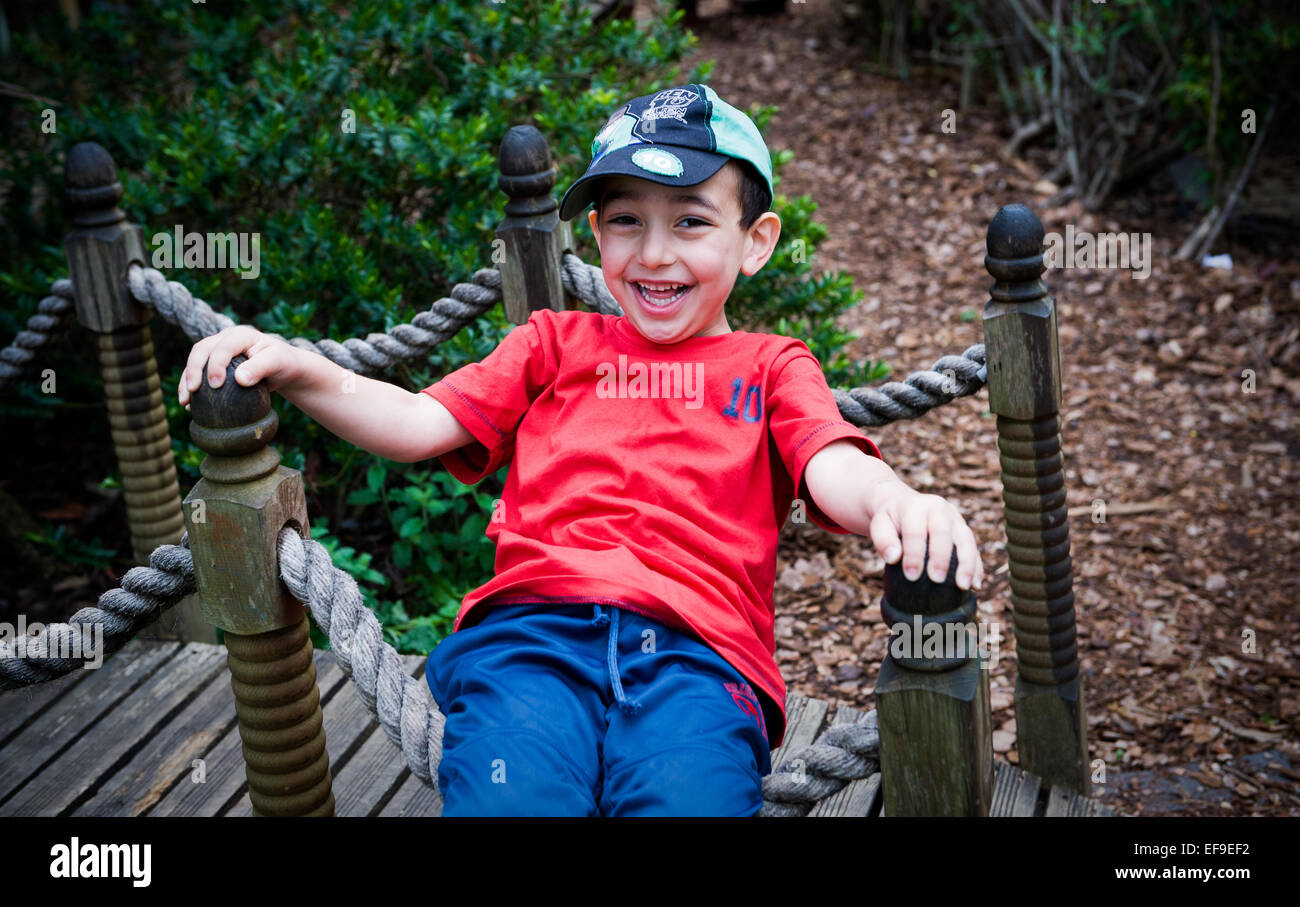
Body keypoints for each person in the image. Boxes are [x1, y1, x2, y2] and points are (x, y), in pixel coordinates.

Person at [179, 82, 984, 816]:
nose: (655, 252)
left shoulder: (772, 367)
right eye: (626, 220)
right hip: (533, 637)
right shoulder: (553, 343)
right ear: (595, 232)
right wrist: (302, 368)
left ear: (757, 240)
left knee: (690, 798)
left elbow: (829, 460)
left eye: (692, 221)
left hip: (698, 659)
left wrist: (896, 501)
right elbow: (422, 423)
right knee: (512, 795)